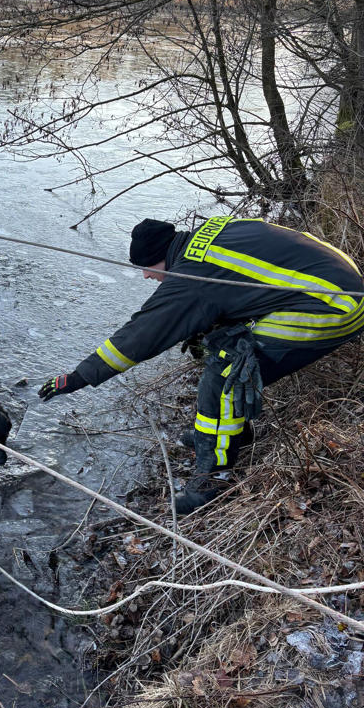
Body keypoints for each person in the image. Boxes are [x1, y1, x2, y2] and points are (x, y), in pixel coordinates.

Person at [38, 215, 364, 514]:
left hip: (333, 307)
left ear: (162, 258)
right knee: (230, 349)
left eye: (149, 267)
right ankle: (230, 432)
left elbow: (141, 335)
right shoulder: (213, 231)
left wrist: (79, 376)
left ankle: (214, 478)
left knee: (226, 371)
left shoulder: (191, 278)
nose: (147, 275)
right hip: (343, 282)